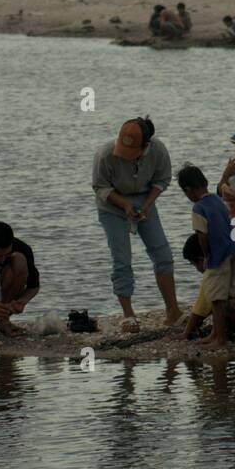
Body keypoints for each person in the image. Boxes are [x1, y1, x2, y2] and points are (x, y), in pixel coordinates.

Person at [92, 116, 179, 329]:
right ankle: (128, 314)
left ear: (146, 146)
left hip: (144, 198)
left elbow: (162, 179)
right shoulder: (105, 155)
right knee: (122, 260)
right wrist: (124, 205)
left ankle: (173, 310)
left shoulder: (158, 150)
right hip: (112, 205)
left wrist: (147, 205)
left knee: (163, 255)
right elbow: (100, 187)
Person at [177, 164, 235, 349]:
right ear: (204, 182)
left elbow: (202, 234)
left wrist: (206, 255)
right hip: (232, 252)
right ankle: (216, 333)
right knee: (223, 296)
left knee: (216, 300)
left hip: (217, 256)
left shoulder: (199, 208)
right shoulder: (217, 200)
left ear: (188, 190)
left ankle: (219, 339)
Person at [179, 234, 235, 342]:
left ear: (201, 259)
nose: (196, 269)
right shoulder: (228, 262)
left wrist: (186, 333)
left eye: (194, 264)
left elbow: (201, 309)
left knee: (219, 302)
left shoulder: (213, 272)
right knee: (220, 300)